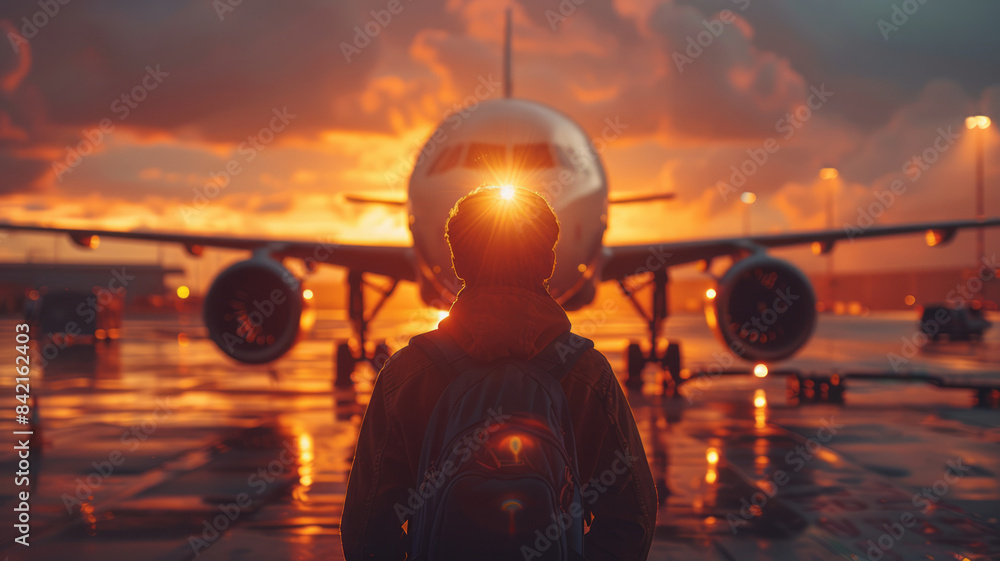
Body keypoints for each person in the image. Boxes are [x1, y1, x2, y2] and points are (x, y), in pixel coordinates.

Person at [342, 186, 657, 560]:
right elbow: (633, 515)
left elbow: (365, 525)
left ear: (458, 262)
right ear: (548, 263)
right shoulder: (588, 373)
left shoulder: (406, 374)